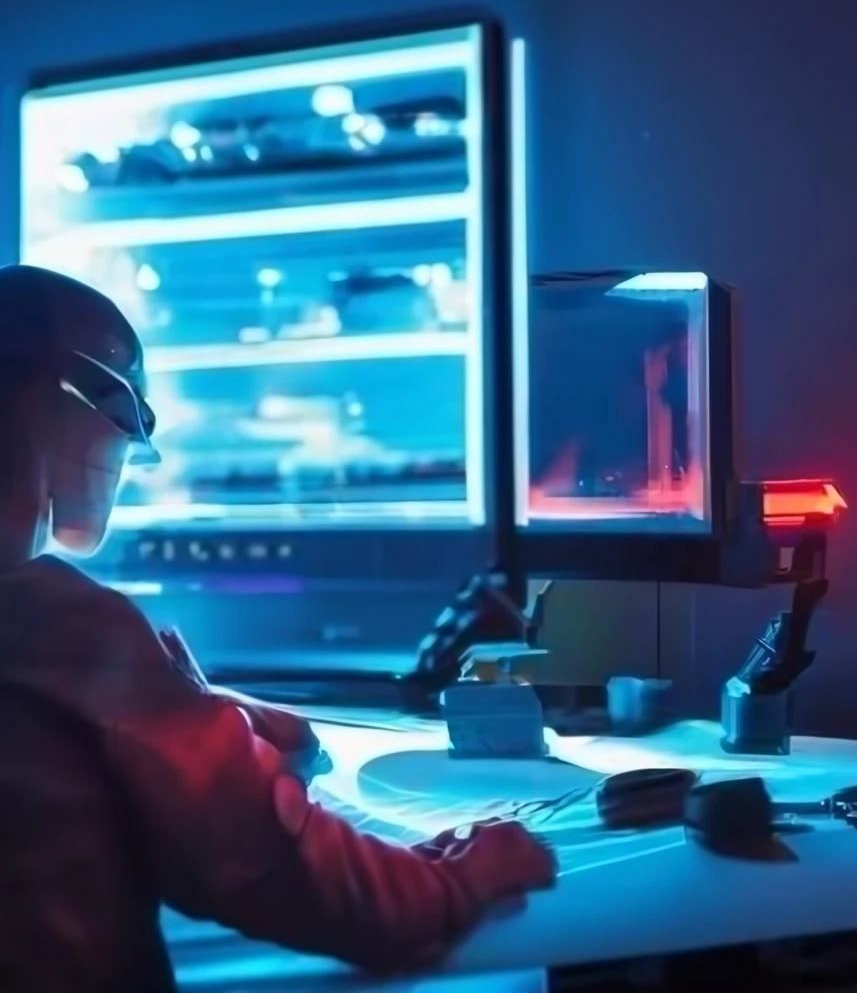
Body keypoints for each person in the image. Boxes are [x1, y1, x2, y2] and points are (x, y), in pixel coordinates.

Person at [0, 265, 556, 993]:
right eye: (130, 422)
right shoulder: (59, 620)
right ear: (80, 403)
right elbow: (271, 866)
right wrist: (465, 876)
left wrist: (205, 716)